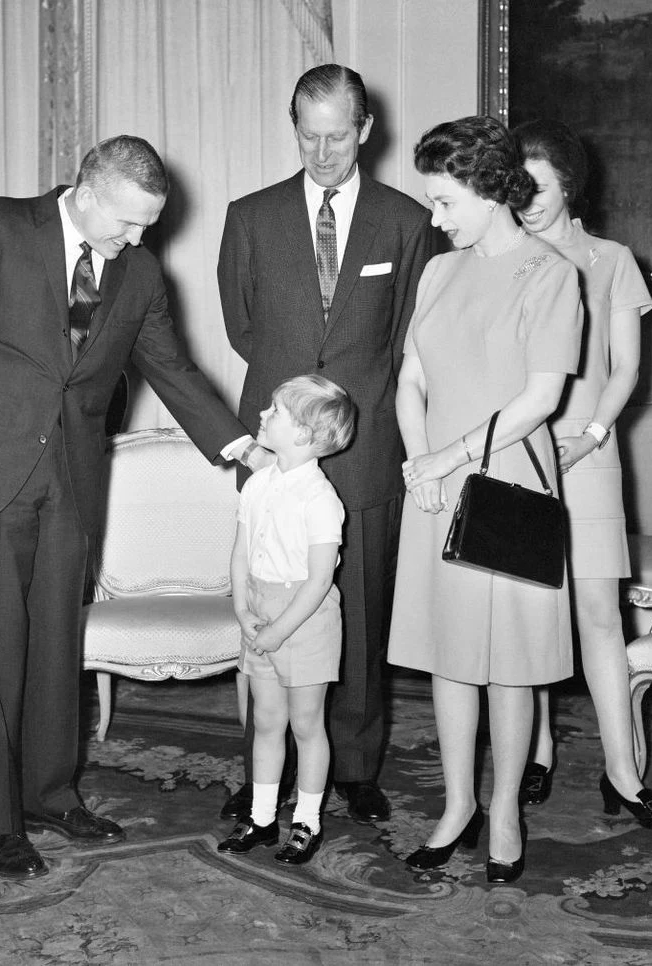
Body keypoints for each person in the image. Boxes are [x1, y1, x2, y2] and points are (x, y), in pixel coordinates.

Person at [0, 135, 269, 880]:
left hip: (73, 476)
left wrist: (241, 446)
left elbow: (169, 365)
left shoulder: (139, 272)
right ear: (88, 190)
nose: (135, 239)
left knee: (54, 645)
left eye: (148, 226)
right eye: (127, 222)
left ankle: (49, 794)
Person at [218, 63, 434, 825]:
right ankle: (265, 770)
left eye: (337, 137)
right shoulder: (250, 217)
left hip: (365, 448)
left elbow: (407, 338)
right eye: (308, 136)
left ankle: (355, 766)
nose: (322, 153)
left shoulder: (407, 222)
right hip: (275, 452)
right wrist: (290, 415)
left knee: (359, 614)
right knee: (265, 604)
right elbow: (243, 327)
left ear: (365, 130)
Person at [387, 115, 583, 884]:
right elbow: (411, 378)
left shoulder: (549, 273)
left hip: (506, 486)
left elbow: (539, 399)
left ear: (490, 190)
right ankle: (457, 804)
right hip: (436, 486)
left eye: (445, 202)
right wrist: (420, 465)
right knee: (449, 653)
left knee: (510, 663)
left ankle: (504, 810)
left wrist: (445, 459)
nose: (435, 219)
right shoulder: (439, 273)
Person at [513, 119, 652, 833]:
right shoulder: (503, 258)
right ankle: (538, 750)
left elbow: (626, 367)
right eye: (514, 188)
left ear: (569, 186)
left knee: (599, 616)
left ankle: (624, 771)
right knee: (530, 612)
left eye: (538, 188)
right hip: (518, 454)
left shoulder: (609, 260)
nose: (525, 202)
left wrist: (589, 436)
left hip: (590, 450)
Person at [217, 375, 356, 865]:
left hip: (305, 618)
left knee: (306, 723)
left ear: (303, 434)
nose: (262, 414)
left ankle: (307, 821)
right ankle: (260, 817)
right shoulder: (258, 483)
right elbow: (240, 553)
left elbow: (319, 580)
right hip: (259, 608)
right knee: (267, 720)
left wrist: (279, 630)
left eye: (275, 410)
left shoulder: (320, 498)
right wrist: (242, 610)